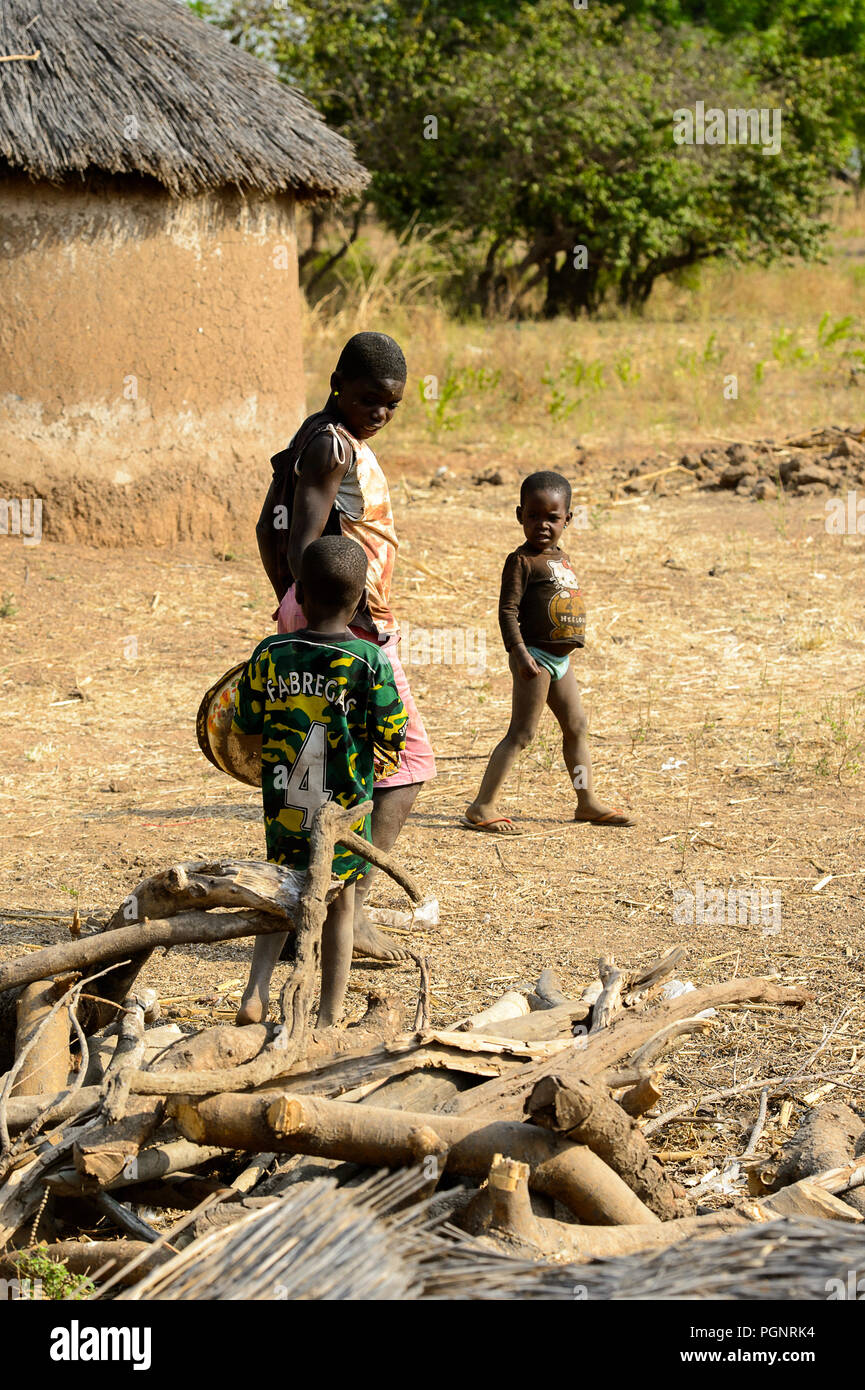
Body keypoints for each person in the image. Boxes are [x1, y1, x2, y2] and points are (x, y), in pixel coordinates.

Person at [257, 331, 435, 963]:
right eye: (368, 399)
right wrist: (314, 612)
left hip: (323, 618)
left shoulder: (317, 435)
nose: (379, 414)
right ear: (338, 384)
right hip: (343, 629)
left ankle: (307, 910)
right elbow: (302, 539)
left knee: (318, 775)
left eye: (391, 404)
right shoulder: (332, 447)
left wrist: (288, 601)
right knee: (406, 763)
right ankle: (348, 914)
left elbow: (264, 525)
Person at [232, 535, 408, 1027]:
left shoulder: (271, 651)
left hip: (286, 808)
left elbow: (242, 721)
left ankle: (255, 990)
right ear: (359, 602)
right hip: (342, 814)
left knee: (279, 891)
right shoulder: (368, 661)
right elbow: (393, 732)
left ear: (300, 596)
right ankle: (330, 1015)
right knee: (342, 905)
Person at [463, 470, 634, 834]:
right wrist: (519, 652)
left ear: (567, 520)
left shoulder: (561, 556)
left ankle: (586, 801)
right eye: (533, 516)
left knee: (576, 726)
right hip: (534, 659)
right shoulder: (521, 561)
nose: (543, 524)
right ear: (519, 515)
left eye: (552, 517)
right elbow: (507, 611)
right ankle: (481, 806)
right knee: (522, 734)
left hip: (560, 661)